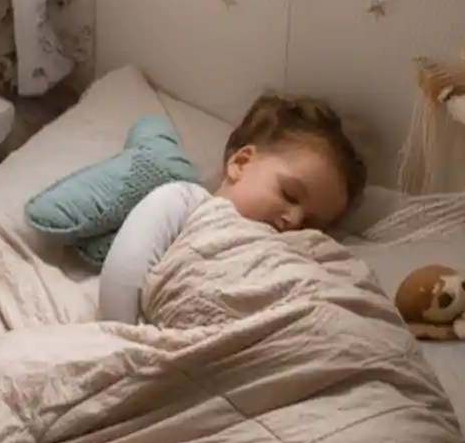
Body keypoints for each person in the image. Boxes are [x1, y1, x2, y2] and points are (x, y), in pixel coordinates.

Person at [99, 93, 368, 323]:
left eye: (312, 223)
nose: (295, 220)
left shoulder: (294, 250)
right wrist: (119, 334)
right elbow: (125, 267)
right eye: (289, 195)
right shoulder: (185, 201)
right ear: (240, 163)